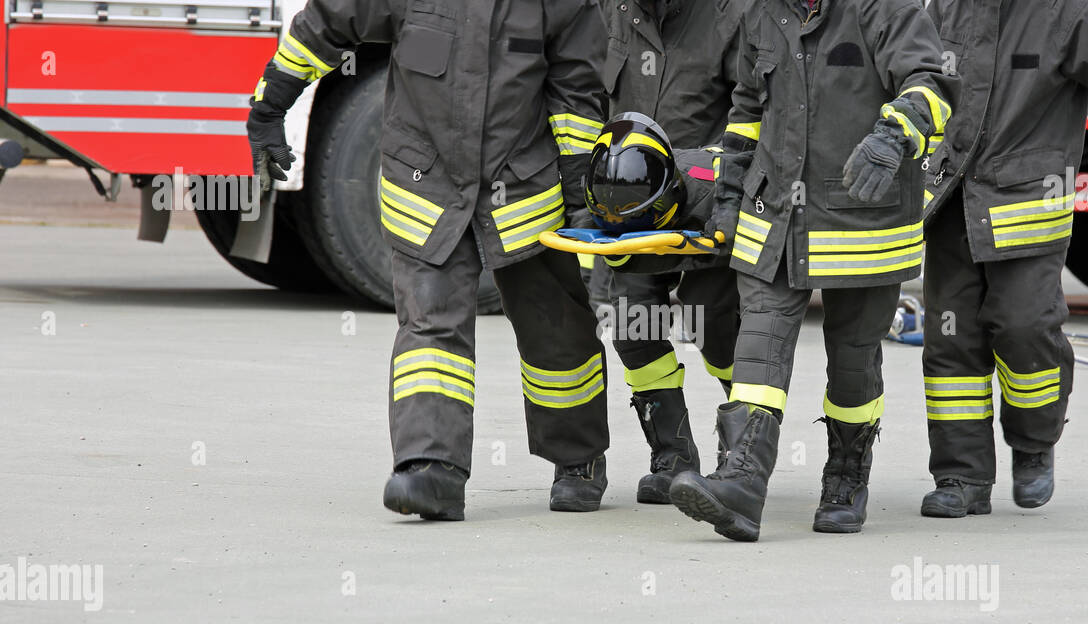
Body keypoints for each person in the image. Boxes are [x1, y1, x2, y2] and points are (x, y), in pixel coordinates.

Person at [245, 0, 613, 518]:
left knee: (553, 328)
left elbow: (578, 88)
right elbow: (327, 20)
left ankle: (578, 459)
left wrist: (579, 192)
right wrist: (271, 105)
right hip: (425, 180)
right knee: (429, 326)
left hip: (523, 184)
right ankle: (430, 467)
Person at [667, 0, 958, 541]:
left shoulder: (884, 8)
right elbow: (747, 111)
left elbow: (932, 85)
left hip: (863, 218)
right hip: (772, 214)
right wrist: (729, 197)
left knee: (852, 362)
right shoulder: (763, 12)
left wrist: (893, 136)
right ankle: (741, 482)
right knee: (759, 344)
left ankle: (845, 478)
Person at [918, 0, 1088, 517]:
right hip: (952, 203)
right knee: (950, 344)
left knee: (1026, 329)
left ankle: (1033, 442)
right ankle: (961, 476)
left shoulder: (1069, 9)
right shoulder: (947, 7)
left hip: (1027, 206)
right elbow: (913, 78)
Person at [597, 0, 750, 506]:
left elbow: (755, 117)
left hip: (707, 212)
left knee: (719, 330)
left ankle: (742, 461)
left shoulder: (734, 14)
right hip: (630, 212)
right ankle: (673, 457)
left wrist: (699, 180)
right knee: (631, 323)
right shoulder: (609, 11)